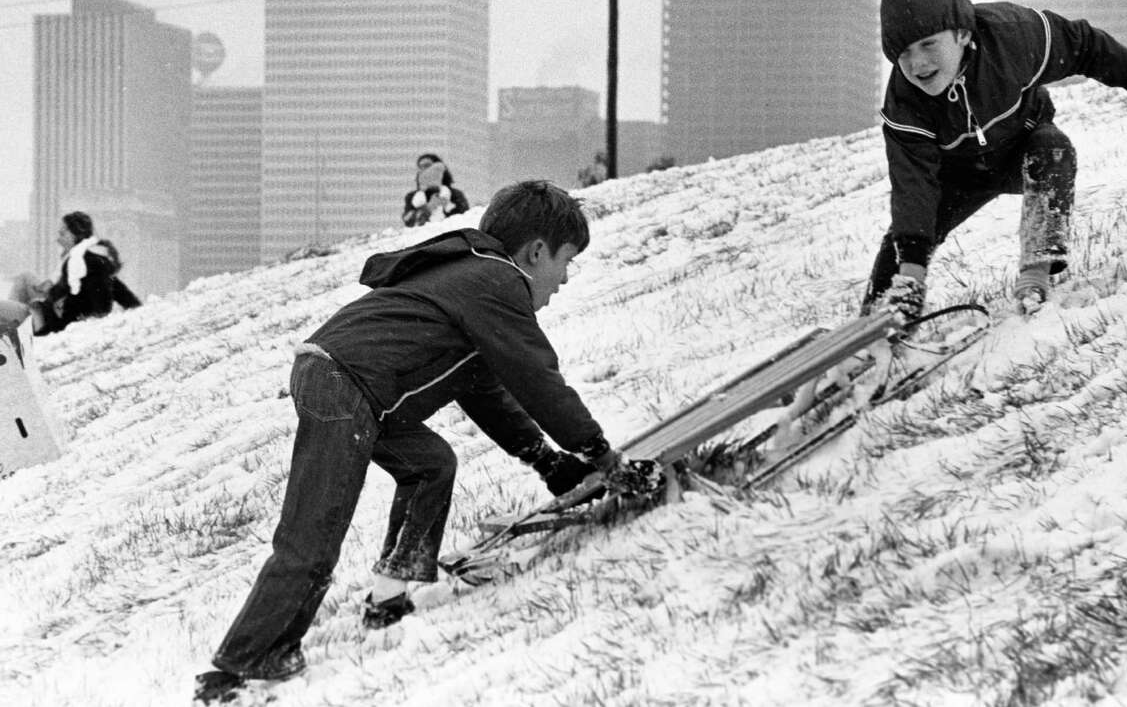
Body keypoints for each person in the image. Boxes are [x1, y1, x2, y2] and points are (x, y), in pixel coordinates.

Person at [195, 180, 659, 704]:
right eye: (566, 260)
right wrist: (601, 455)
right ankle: (237, 666)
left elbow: (486, 390)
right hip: (345, 385)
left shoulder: (472, 284)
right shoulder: (495, 281)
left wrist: (546, 461)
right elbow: (537, 378)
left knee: (431, 464)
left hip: (351, 385)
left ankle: (389, 594)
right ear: (534, 252)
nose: (566, 279)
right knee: (314, 531)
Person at [862, 0, 1127, 321]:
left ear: (962, 33)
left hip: (1021, 148)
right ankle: (876, 327)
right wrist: (911, 276)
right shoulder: (905, 103)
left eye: (928, 43)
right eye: (903, 54)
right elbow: (913, 187)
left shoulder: (1011, 37)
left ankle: (1035, 277)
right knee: (902, 251)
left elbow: (1084, 45)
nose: (917, 64)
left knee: (1053, 148)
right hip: (957, 176)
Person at [7, 211, 140, 336]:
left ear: (76, 235)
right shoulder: (87, 259)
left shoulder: (83, 261)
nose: (58, 238)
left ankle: (10, 336)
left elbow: (96, 309)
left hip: (44, 320)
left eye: (63, 233)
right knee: (24, 278)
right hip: (45, 313)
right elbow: (123, 296)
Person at [402, 152, 470, 227]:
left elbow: (464, 219)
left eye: (427, 166)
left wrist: (445, 205)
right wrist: (428, 208)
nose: (424, 170)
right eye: (420, 167)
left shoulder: (455, 194)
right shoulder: (412, 197)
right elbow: (409, 222)